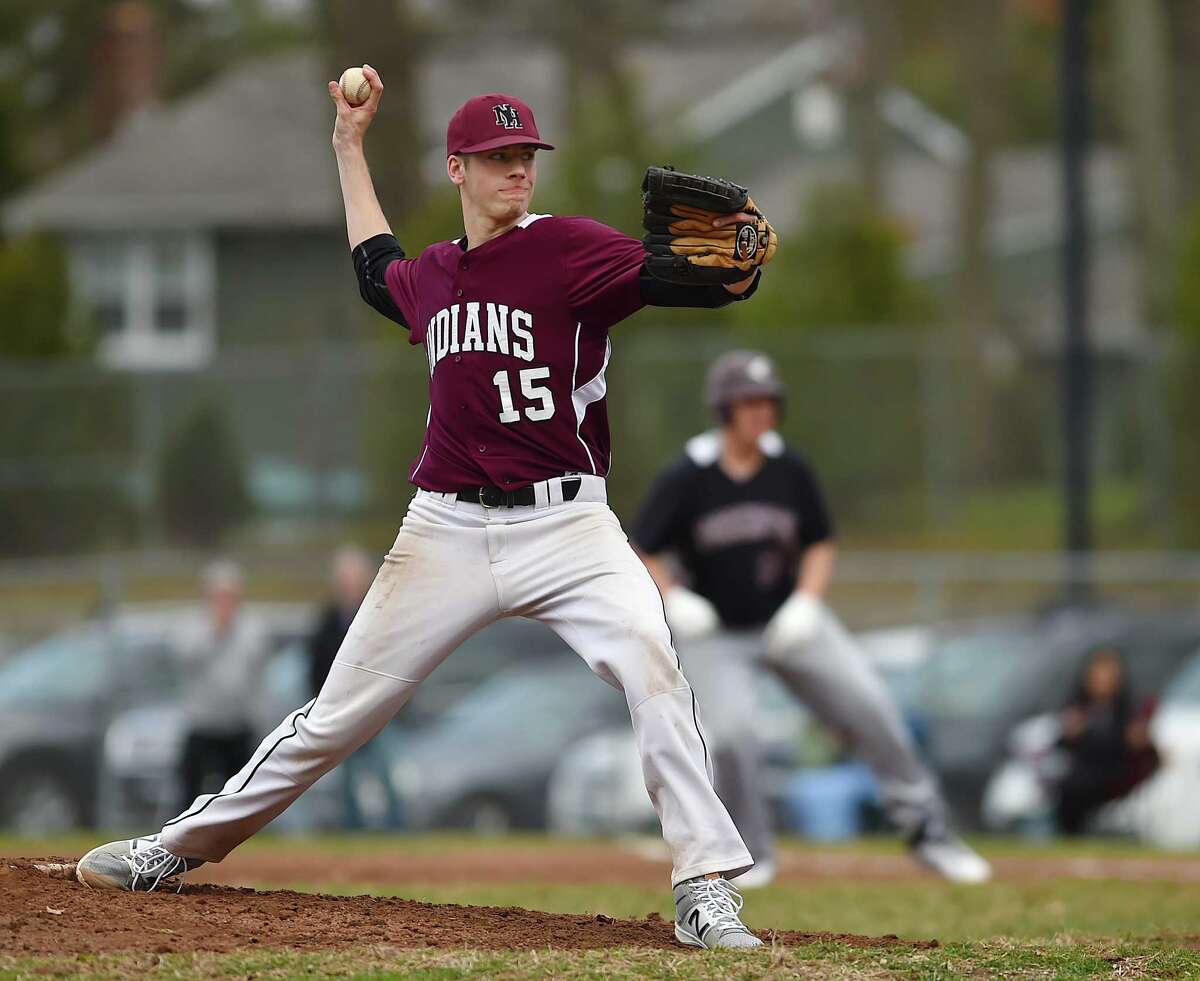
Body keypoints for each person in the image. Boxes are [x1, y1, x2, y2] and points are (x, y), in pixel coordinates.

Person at [76, 68, 775, 949]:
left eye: (525, 156)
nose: (517, 171)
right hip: (443, 525)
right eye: (498, 158)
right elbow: (378, 270)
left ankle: (705, 884)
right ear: (458, 169)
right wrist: (347, 144)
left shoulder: (566, 248)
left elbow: (672, 276)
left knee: (651, 663)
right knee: (334, 717)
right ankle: (174, 848)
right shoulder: (437, 274)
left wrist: (726, 277)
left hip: (569, 525)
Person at [632, 350, 992, 886]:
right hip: (718, 632)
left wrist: (807, 600)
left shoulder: (788, 468)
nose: (760, 412)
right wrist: (674, 595)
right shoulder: (690, 474)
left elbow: (820, 542)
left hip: (789, 621)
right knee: (730, 736)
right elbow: (644, 545)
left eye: (767, 401)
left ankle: (929, 833)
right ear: (723, 408)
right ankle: (750, 853)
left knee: (873, 708)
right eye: (747, 402)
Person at [308, 545, 401, 829]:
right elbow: (316, 664)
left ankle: (396, 833)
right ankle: (353, 831)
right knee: (346, 781)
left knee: (385, 775)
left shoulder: (379, 613)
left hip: (377, 711)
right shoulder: (327, 621)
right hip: (342, 712)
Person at [174, 561, 271, 814]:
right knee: (190, 788)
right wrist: (216, 630)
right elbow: (187, 657)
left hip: (238, 724)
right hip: (202, 723)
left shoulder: (252, 627)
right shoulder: (192, 625)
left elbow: (255, 664)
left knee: (240, 792)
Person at [1055, 646, 1159, 835]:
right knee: (1069, 787)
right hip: (1082, 773)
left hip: (1118, 773)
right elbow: (1062, 745)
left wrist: (1141, 743)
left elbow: (1144, 749)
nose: (1103, 680)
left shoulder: (1129, 708)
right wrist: (1070, 735)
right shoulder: (1079, 705)